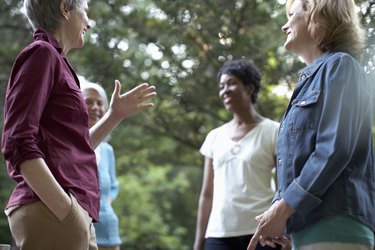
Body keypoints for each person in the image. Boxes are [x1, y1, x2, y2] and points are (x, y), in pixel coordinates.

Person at [1, 0, 156, 249]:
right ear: (65, 8)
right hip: (53, 210)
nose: (89, 22)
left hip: (69, 212)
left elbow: (73, 149)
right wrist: (64, 208)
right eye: (85, 11)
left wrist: (114, 115)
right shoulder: (42, 53)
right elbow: (17, 141)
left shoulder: (56, 60)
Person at [247, 0, 375, 250]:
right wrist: (281, 217)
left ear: (319, 16)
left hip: (337, 225)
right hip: (307, 231)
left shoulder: (341, 66)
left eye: (292, 15)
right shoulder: (307, 82)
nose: (284, 26)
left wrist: (283, 209)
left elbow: (334, 149)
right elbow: (297, 164)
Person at [193, 59, 282, 250]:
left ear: (249, 88)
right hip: (219, 234)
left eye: (231, 83)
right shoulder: (214, 137)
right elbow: (207, 194)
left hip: (262, 232)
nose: (225, 90)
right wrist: (199, 241)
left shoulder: (274, 131)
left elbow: (284, 186)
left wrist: (285, 228)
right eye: (221, 86)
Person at [81, 80, 121, 250]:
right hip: (79, 231)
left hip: (109, 231)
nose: (95, 107)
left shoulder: (107, 150)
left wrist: (104, 205)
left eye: (100, 103)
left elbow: (113, 186)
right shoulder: (68, 146)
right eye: (88, 102)